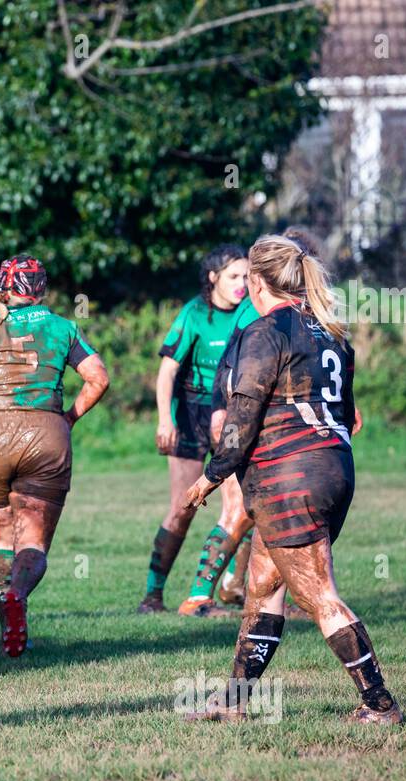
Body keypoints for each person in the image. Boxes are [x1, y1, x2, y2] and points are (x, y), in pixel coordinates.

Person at [182, 235, 401, 724]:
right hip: (333, 467)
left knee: (319, 594)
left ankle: (379, 703)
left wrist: (212, 475)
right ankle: (234, 702)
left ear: (258, 281)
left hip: (288, 477)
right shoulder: (330, 332)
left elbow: (243, 414)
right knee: (262, 585)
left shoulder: (265, 331)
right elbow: (346, 413)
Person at [0, 254, 110, 656]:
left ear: (1, 286)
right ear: (42, 289)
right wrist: (68, 418)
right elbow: (98, 378)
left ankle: (6, 628)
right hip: (45, 433)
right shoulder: (63, 326)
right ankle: (19, 594)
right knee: (32, 538)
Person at [140, 245, 261, 616]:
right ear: (213, 278)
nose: (242, 284)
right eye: (233, 276)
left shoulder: (251, 310)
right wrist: (165, 419)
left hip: (232, 415)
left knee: (244, 506)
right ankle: (152, 596)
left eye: (246, 276)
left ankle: (230, 589)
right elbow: (167, 371)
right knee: (183, 508)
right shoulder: (194, 313)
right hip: (192, 414)